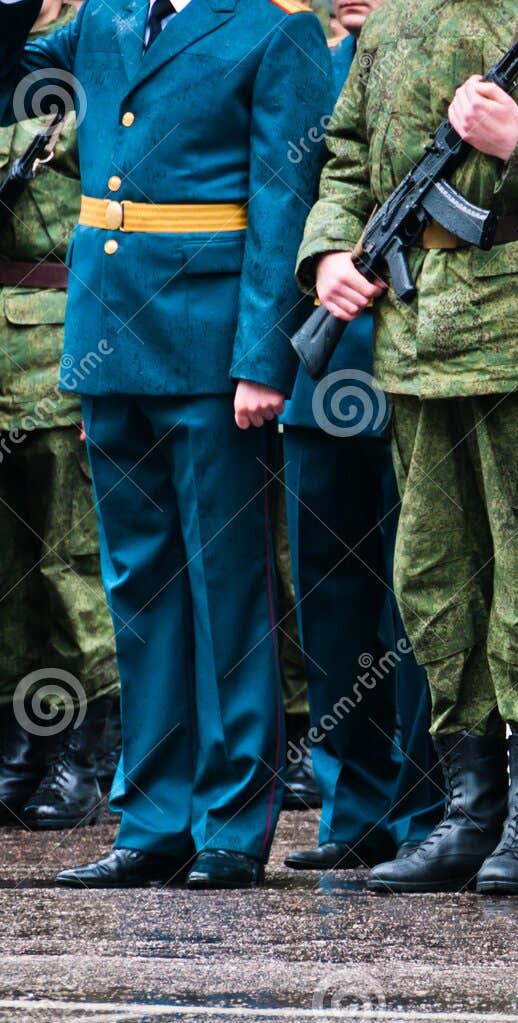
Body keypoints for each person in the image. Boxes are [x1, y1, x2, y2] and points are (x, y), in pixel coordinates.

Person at [0, 0, 329, 889]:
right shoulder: (103, 22)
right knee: (137, 587)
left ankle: (229, 820)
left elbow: (280, 197)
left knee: (228, 587)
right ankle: (152, 816)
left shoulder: (271, 30)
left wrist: (262, 358)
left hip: (209, 345)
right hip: (110, 342)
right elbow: (11, 83)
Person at [300, 0, 518, 895]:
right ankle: (468, 809)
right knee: (433, 581)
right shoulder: (394, 19)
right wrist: (330, 252)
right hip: (417, 344)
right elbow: (348, 156)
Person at [279, 0, 444, 872]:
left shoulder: (454, 44)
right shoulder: (303, 58)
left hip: (420, 354)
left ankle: (425, 806)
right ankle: (354, 806)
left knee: (416, 594)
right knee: (333, 594)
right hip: (322, 360)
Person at [0, 0, 119, 831]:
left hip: (59, 353)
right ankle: (24, 741)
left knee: (68, 559)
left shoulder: (87, 62)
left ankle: (89, 749)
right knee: (11, 576)